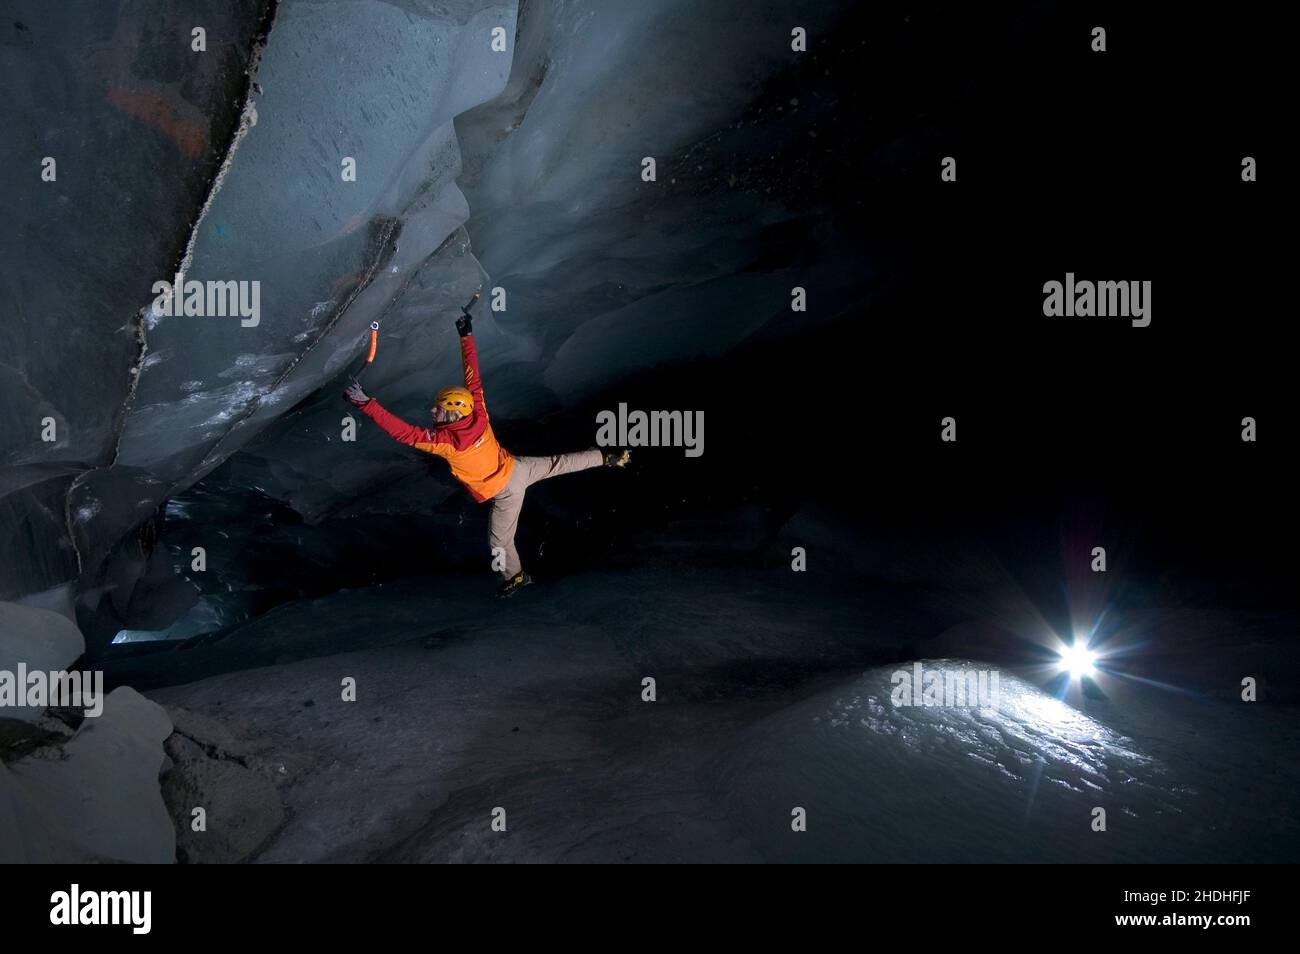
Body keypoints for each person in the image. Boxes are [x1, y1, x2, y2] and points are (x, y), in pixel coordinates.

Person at [344, 311, 629, 596]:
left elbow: (405, 433)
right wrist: (466, 335)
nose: (433, 410)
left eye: (439, 408)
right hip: (517, 468)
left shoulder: (448, 442)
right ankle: (607, 458)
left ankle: (515, 577)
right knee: (560, 463)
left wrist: (365, 403)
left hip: (506, 491)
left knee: (499, 543)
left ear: (454, 411)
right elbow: (473, 379)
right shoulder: (477, 414)